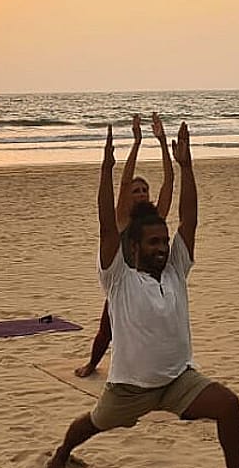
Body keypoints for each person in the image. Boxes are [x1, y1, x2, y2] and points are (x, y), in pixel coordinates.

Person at [48, 121, 239, 468]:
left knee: (229, 406)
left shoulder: (177, 269)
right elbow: (106, 226)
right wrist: (107, 170)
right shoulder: (120, 279)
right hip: (130, 389)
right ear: (134, 248)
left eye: (164, 241)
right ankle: (62, 453)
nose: (163, 248)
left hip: (180, 381)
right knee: (93, 424)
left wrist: (187, 166)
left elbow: (190, 221)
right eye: (154, 243)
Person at [74, 111, 174, 378]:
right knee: (107, 328)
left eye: (145, 190)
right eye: (136, 191)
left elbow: (169, 184)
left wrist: (164, 143)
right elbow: (124, 180)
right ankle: (93, 364)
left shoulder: (154, 220)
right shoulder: (122, 218)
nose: (141, 194)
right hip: (123, 284)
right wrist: (137, 142)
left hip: (150, 284)